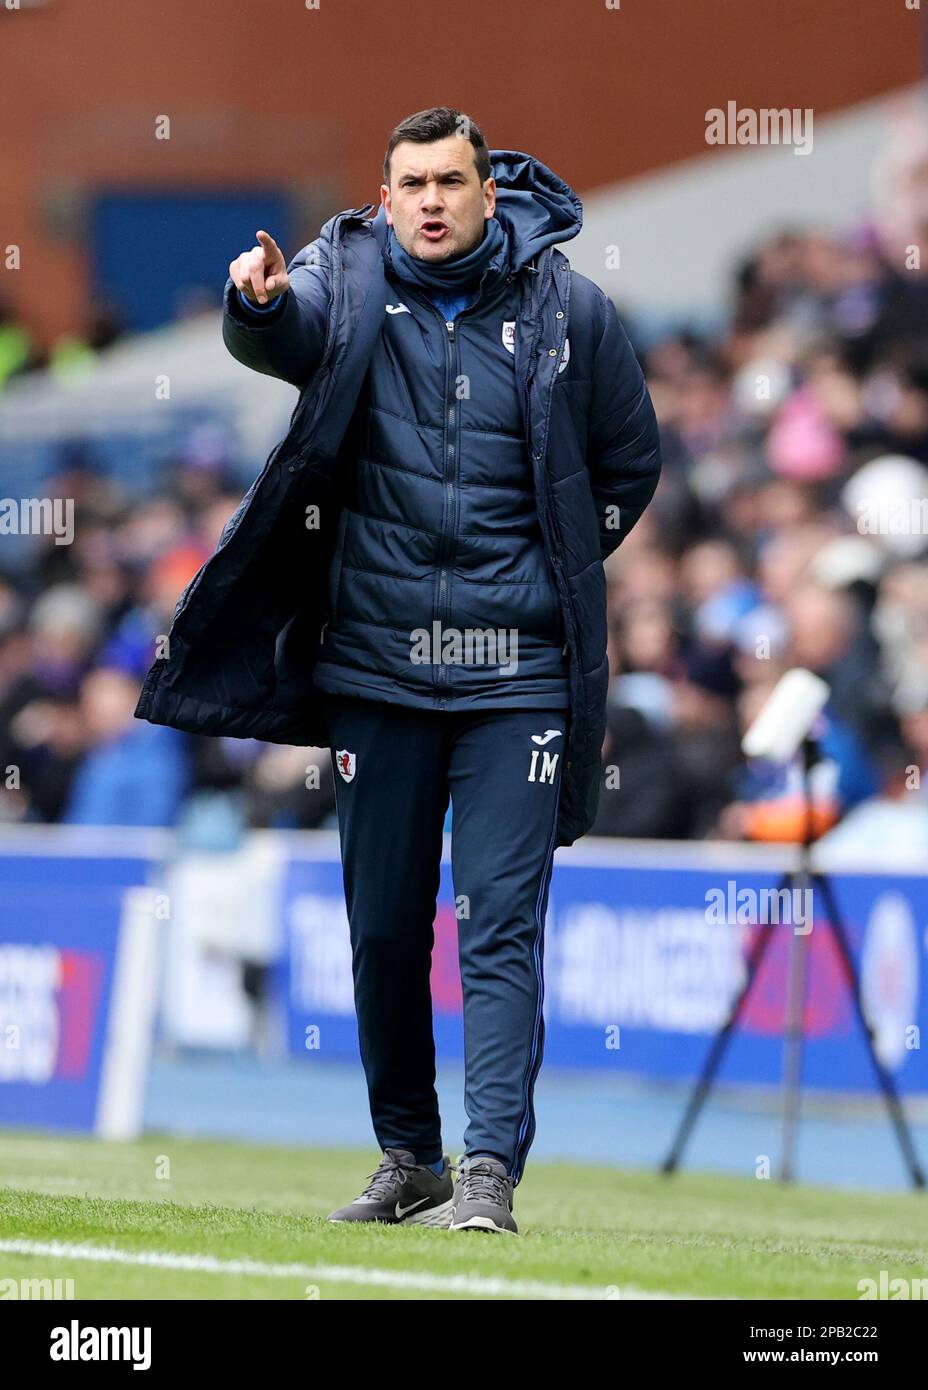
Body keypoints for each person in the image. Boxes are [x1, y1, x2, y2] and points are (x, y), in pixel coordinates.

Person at [136, 107, 661, 1233]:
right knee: (381, 926)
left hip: (516, 671)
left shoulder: (569, 306)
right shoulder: (346, 276)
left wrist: (551, 563)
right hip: (376, 668)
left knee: (500, 923)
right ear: (386, 197)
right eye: (410, 183)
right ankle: (409, 1154)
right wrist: (257, 304)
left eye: (450, 182)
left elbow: (630, 459)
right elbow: (284, 336)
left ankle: (486, 1171)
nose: (430, 201)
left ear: (490, 191)